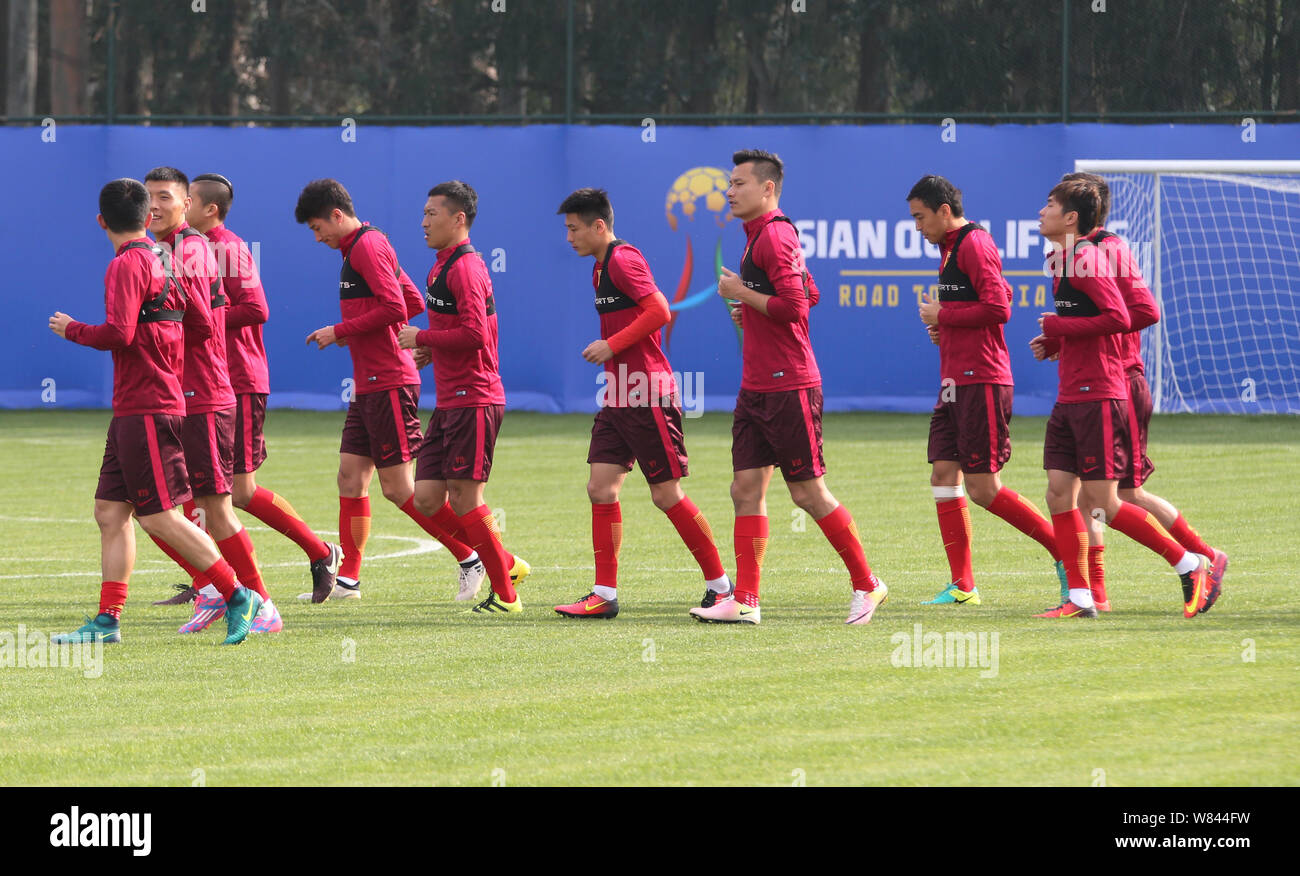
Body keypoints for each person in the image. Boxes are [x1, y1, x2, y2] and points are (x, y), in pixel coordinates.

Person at [48, 177, 261, 645]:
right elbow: (204, 324)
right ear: (147, 217)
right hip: (144, 404)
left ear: (102, 221)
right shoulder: (168, 257)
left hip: (147, 405)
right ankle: (107, 621)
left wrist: (74, 330)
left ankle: (236, 593)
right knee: (110, 511)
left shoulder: (126, 264)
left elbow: (119, 334)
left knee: (160, 517)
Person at [691, 150, 886, 626]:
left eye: (738, 183)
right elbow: (809, 292)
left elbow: (797, 307)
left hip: (788, 384)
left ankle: (868, 583)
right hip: (757, 385)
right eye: (729, 184)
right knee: (745, 489)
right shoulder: (761, 234)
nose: (729, 191)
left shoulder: (774, 234)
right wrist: (754, 304)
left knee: (808, 493)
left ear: (768, 189)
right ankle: (746, 602)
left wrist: (743, 295)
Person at [1031, 172, 1227, 612]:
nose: (1041, 211)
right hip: (1074, 391)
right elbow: (1090, 316)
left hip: (1108, 386)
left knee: (1111, 499)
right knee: (1062, 492)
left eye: (1048, 203)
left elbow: (1128, 314)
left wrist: (1062, 328)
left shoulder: (1097, 252)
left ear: (1073, 216)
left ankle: (1194, 562)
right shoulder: (1064, 257)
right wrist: (1060, 341)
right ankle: (1082, 596)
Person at [296, 178, 486, 601]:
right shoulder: (359, 247)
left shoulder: (366, 246)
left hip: (390, 383)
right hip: (369, 385)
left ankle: (474, 556)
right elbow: (413, 302)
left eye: (317, 227)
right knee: (350, 477)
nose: (317, 236)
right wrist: (358, 333)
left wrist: (341, 329)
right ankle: (348, 579)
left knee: (400, 489)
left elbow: (396, 308)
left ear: (336, 215)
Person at [554, 188, 731, 619]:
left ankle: (722, 589)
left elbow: (660, 309)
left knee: (666, 494)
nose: (569, 238)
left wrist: (610, 345)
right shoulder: (599, 270)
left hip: (647, 392)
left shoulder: (622, 259)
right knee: (600, 487)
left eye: (574, 229)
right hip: (619, 395)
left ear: (599, 226)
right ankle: (604, 594)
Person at [176, 172, 344, 610]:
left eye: (185, 199)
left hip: (238, 380)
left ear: (209, 208)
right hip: (205, 382)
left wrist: (192, 320)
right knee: (199, 488)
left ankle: (321, 553)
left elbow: (256, 309)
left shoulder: (227, 248)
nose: (176, 205)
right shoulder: (185, 247)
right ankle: (211, 581)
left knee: (238, 491)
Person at [908, 174, 1066, 605]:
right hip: (954, 384)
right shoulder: (950, 248)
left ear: (944, 211)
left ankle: (1066, 552)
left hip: (982, 381)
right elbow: (990, 297)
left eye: (921, 218)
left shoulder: (974, 243)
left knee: (984, 488)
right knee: (943, 476)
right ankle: (963, 585)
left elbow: (1000, 307)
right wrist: (946, 326)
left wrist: (945, 314)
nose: (917, 227)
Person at [142, 167, 280, 634]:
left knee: (216, 505)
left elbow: (203, 320)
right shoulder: (161, 250)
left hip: (203, 392)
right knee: (137, 506)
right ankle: (214, 589)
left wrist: (144, 331)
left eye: (164, 196)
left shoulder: (196, 249)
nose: (154, 205)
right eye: (148, 198)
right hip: (175, 393)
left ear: (187, 205)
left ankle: (259, 602)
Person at [395, 180, 531, 615]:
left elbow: (475, 335)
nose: (423, 222)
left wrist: (422, 335)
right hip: (451, 400)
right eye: (423, 213)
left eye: (431, 214)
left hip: (475, 398)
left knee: (467, 499)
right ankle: (503, 562)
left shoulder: (466, 268)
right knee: (428, 498)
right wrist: (431, 349)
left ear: (459, 219)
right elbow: (471, 331)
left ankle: (507, 596)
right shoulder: (440, 266)